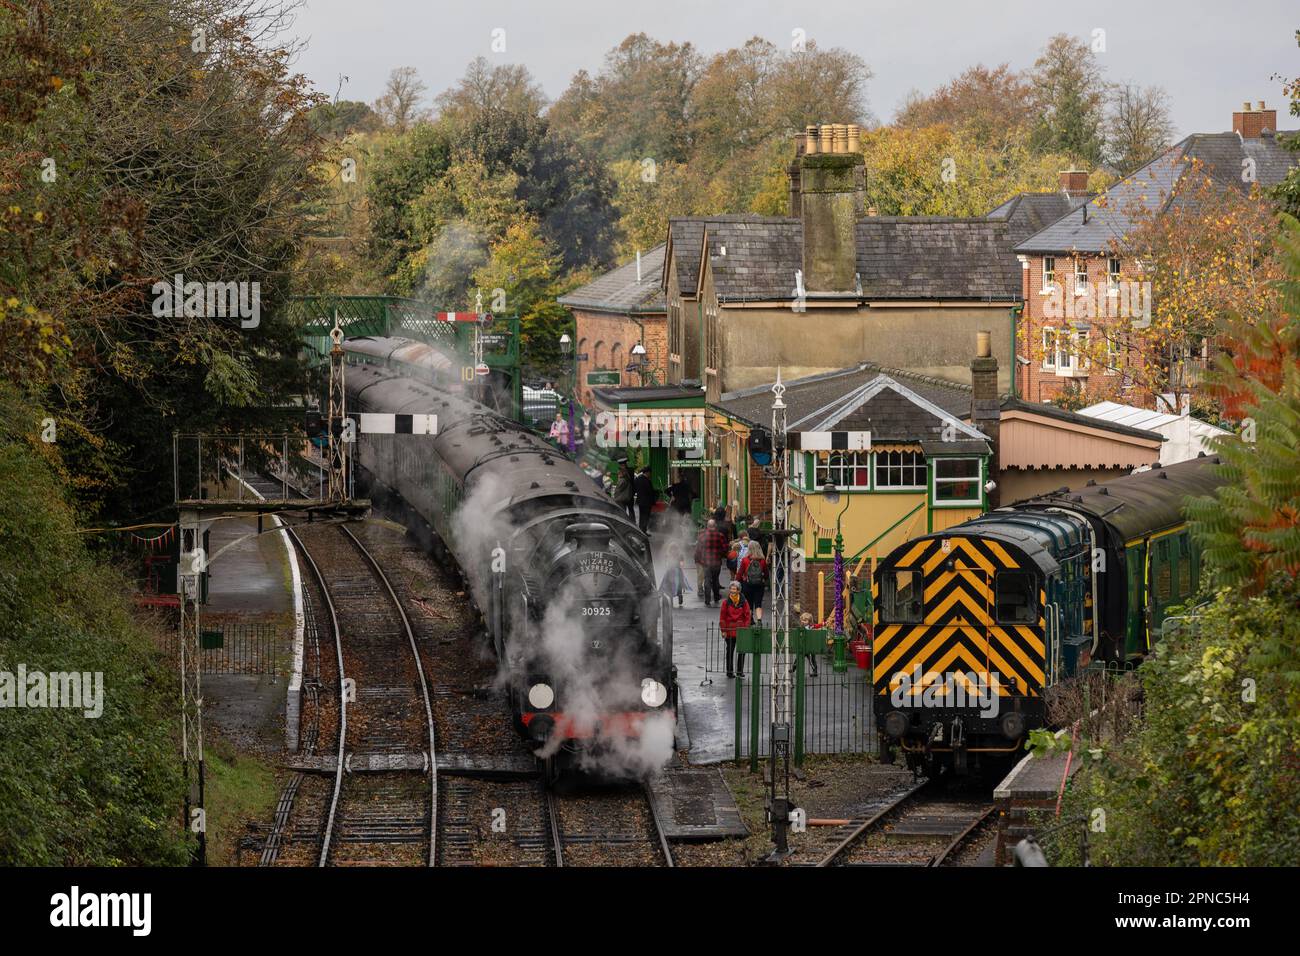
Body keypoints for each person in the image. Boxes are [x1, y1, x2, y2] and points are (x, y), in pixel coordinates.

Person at [719, 581, 752, 678]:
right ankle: (729, 671)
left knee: (742, 651)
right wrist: (723, 630)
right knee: (729, 651)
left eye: (734, 589)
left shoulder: (744, 602)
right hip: (729, 630)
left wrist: (745, 628)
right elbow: (722, 617)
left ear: (738, 590)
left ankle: (739, 671)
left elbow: (747, 616)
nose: (732, 591)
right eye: (731, 589)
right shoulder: (726, 602)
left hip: (741, 630)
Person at [693, 518, 728, 606]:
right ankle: (716, 597)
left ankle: (707, 600)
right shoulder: (720, 536)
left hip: (706, 562)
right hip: (716, 562)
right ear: (715, 526)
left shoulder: (702, 536)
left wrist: (698, 559)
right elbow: (725, 549)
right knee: (716, 580)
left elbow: (698, 550)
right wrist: (720, 555)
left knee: (707, 580)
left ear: (707, 526)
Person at [737, 545, 767, 625]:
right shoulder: (762, 561)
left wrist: (737, 581)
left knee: (749, 603)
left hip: (747, 584)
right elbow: (766, 574)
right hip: (759, 585)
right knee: (758, 604)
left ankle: (750, 619)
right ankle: (759, 620)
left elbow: (740, 573)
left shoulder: (745, 560)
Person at [658, 541, 689, 607]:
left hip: (670, 572)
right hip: (678, 571)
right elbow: (681, 564)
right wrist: (680, 568)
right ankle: (680, 595)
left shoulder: (667, 555)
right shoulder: (680, 555)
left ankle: (671, 599)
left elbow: (666, 564)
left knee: (669, 586)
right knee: (679, 585)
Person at [633, 466, 656, 535]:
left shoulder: (637, 479)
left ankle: (641, 531)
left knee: (642, 516)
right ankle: (643, 531)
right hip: (647, 502)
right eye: (650, 473)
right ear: (648, 472)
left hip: (640, 501)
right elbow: (650, 491)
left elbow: (635, 489)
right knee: (646, 517)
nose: (650, 474)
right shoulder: (647, 480)